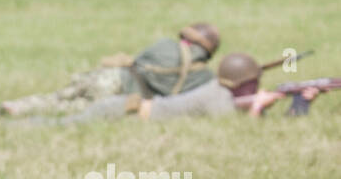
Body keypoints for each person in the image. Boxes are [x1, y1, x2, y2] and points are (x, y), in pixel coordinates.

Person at [0, 23, 220, 118]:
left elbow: (139, 61)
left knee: (57, 97)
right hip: (121, 93)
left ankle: (13, 106)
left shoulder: (165, 45)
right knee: (70, 110)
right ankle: (20, 118)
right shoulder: (202, 76)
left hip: (108, 76)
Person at [64, 51, 320, 123]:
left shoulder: (221, 90)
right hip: (122, 112)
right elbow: (243, 133)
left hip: (129, 111)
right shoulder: (217, 100)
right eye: (253, 83)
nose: (258, 86)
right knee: (61, 124)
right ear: (242, 84)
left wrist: (301, 103)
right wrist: (258, 107)